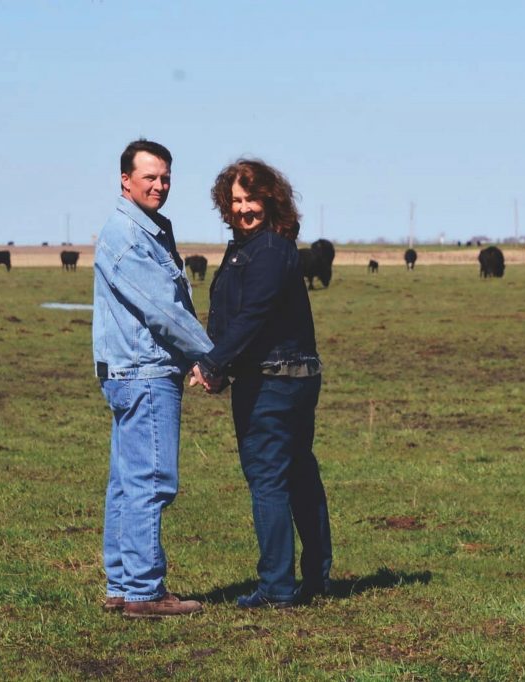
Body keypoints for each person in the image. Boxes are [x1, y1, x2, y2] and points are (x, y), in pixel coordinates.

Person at [192, 159, 332, 608]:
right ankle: (314, 577)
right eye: (235, 201)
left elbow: (254, 316)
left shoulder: (268, 249)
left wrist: (213, 365)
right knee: (297, 471)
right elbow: (235, 316)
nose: (244, 208)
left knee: (270, 478)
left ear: (270, 200)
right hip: (287, 374)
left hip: (275, 379)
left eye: (251, 199)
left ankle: (276, 587)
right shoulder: (251, 249)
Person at [93, 139, 213, 618]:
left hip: (129, 370)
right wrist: (209, 356)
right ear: (125, 180)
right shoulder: (128, 235)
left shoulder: (144, 230)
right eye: (149, 177)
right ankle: (145, 592)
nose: (159, 185)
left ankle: (122, 585)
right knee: (150, 481)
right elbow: (164, 311)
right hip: (145, 371)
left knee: (126, 481)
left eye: (165, 177)